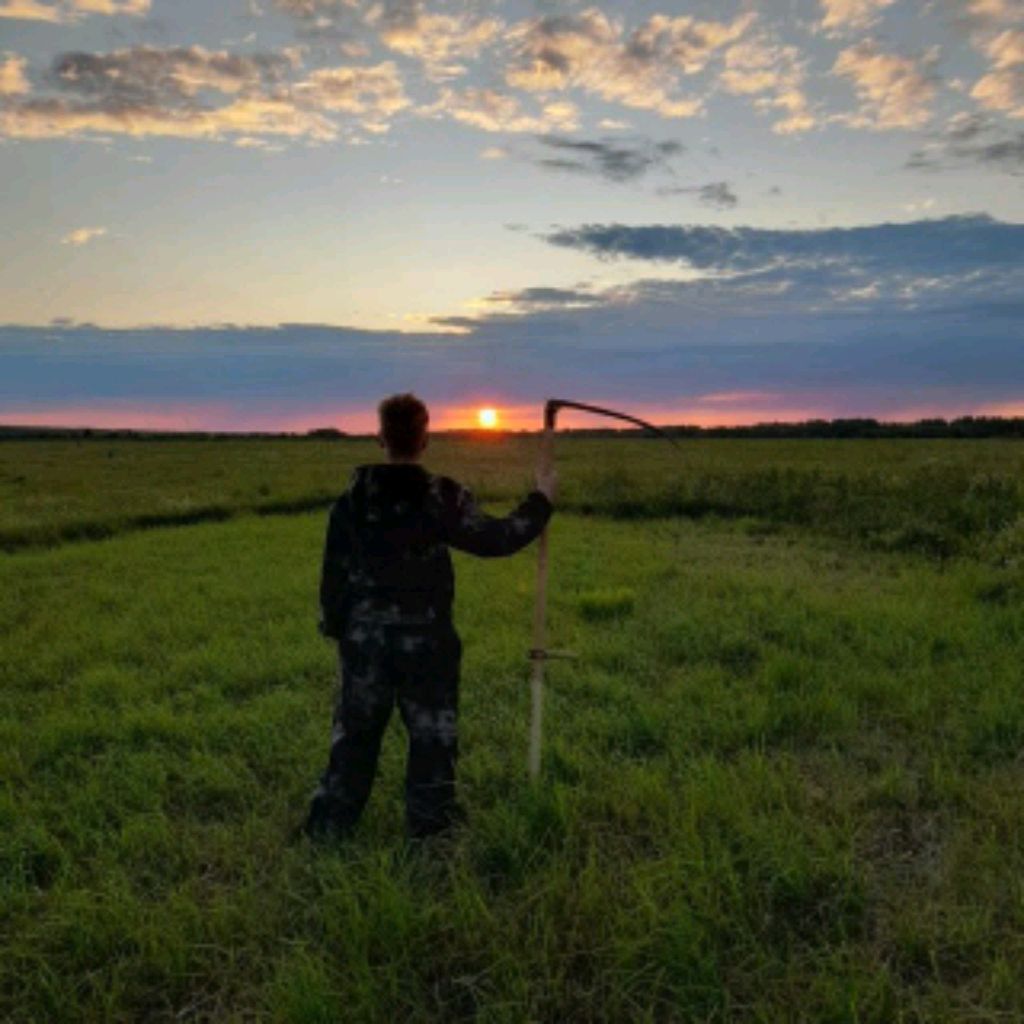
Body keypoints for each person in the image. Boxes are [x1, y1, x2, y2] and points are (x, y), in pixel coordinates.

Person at [304, 393, 556, 842]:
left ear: (380, 438)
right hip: (429, 645)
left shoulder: (350, 502)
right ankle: (431, 834)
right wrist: (541, 500)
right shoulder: (441, 496)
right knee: (432, 740)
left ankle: (328, 831)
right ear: (425, 439)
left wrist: (342, 632)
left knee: (355, 737)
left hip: (365, 644)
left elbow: (333, 580)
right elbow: (496, 539)